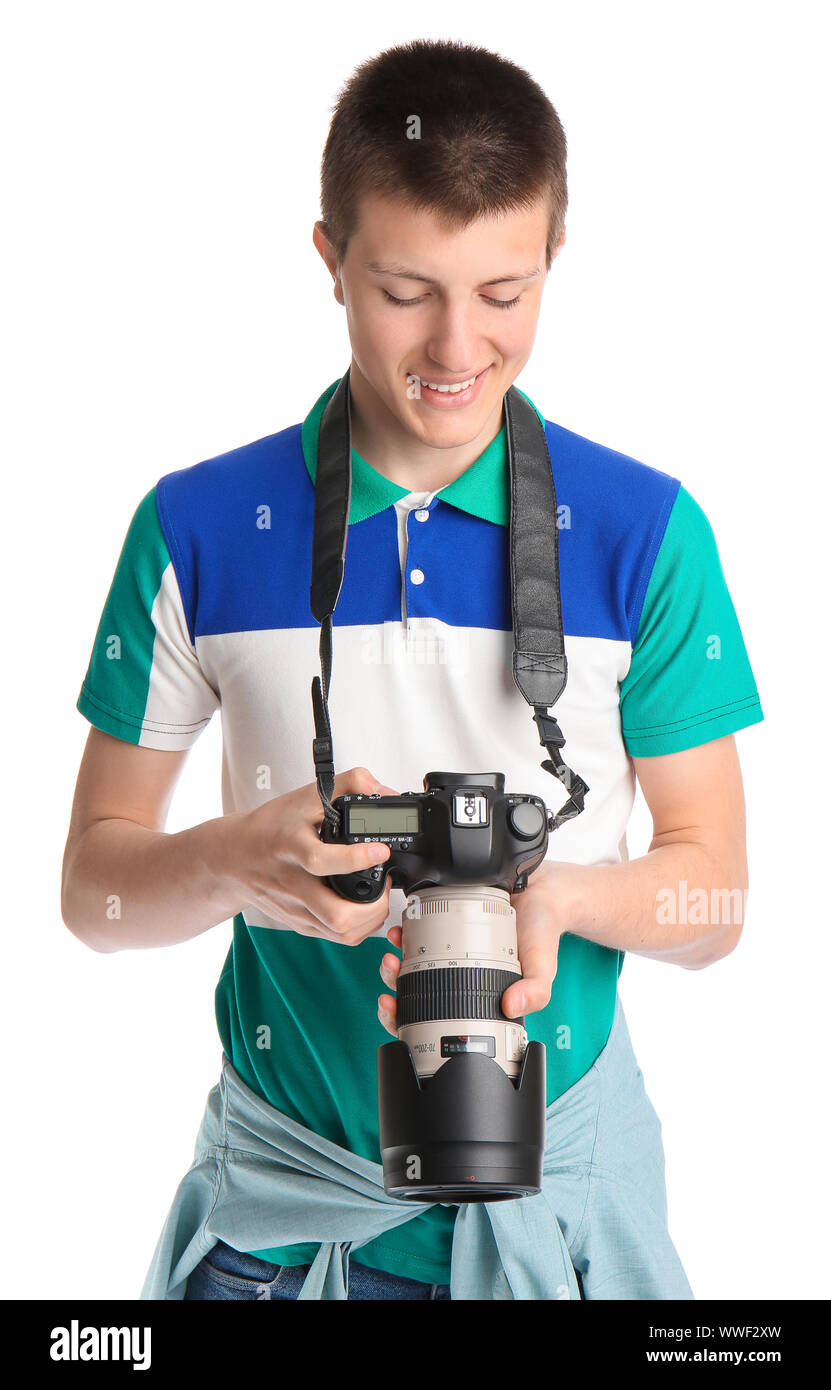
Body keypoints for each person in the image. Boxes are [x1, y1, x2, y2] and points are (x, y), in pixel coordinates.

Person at [62, 38, 763, 1301]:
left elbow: (715, 899)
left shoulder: (643, 531)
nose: (457, 346)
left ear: (555, 255)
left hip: (560, 1213)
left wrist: (560, 900)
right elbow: (93, 891)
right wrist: (236, 861)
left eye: (505, 291)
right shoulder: (201, 527)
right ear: (328, 259)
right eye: (404, 289)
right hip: (283, 1216)